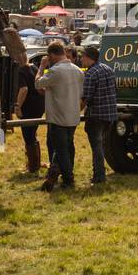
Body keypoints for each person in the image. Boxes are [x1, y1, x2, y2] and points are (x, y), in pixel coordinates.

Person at [34, 42, 83, 191]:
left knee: (60, 150)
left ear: (52, 55)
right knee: (68, 147)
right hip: (73, 115)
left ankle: (68, 178)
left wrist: (42, 67)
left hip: (58, 117)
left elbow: (37, 84)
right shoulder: (78, 71)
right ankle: (57, 174)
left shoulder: (55, 71)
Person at [79, 45, 117, 185]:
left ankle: (99, 176)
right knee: (101, 145)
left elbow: (85, 98)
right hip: (110, 115)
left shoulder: (91, 74)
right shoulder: (108, 69)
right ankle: (100, 173)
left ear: (89, 58)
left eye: (83, 56)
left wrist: (75, 112)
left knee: (97, 146)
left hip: (96, 115)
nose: (81, 59)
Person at [11, 51, 46, 174]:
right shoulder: (33, 67)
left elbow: (24, 89)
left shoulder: (21, 70)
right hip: (39, 105)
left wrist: (17, 106)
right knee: (32, 133)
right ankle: (36, 163)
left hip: (29, 106)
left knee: (28, 135)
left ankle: (32, 167)